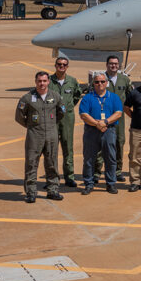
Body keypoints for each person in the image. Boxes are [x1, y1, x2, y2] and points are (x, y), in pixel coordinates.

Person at [15, 71, 65, 202]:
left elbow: (61, 112)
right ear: (35, 82)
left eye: (44, 81)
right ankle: (31, 192)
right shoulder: (27, 98)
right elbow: (19, 116)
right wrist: (31, 126)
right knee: (31, 163)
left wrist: (50, 125)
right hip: (34, 136)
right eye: (39, 81)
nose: (42, 83)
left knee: (52, 163)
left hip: (51, 135)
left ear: (48, 82)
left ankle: (53, 190)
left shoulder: (55, 96)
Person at [79, 72, 124, 194]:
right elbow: (83, 114)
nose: (100, 84)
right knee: (89, 158)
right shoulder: (87, 97)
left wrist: (105, 122)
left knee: (110, 157)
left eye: (102, 81)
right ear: (93, 83)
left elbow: (118, 113)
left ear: (106, 83)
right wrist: (97, 124)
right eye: (97, 82)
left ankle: (111, 183)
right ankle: (88, 183)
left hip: (109, 130)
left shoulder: (114, 97)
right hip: (91, 131)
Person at [47, 56, 81, 187]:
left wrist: (69, 106)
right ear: (55, 65)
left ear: (67, 67)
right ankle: (52, 178)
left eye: (64, 65)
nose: (61, 66)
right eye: (59, 64)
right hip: (52, 118)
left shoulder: (72, 81)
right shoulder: (49, 80)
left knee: (68, 147)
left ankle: (69, 177)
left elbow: (77, 95)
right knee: (51, 149)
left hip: (67, 118)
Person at [98, 55, 131, 182]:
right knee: (101, 144)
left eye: (116, 64)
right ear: (106, 65)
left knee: (119, 143)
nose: (114, 66)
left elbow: (130, 96)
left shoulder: (124, 79)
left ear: (119, 65)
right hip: (103, 117)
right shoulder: (100, 78)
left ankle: (117, 171)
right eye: (111, 63)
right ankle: (97, 171)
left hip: (119, 118)